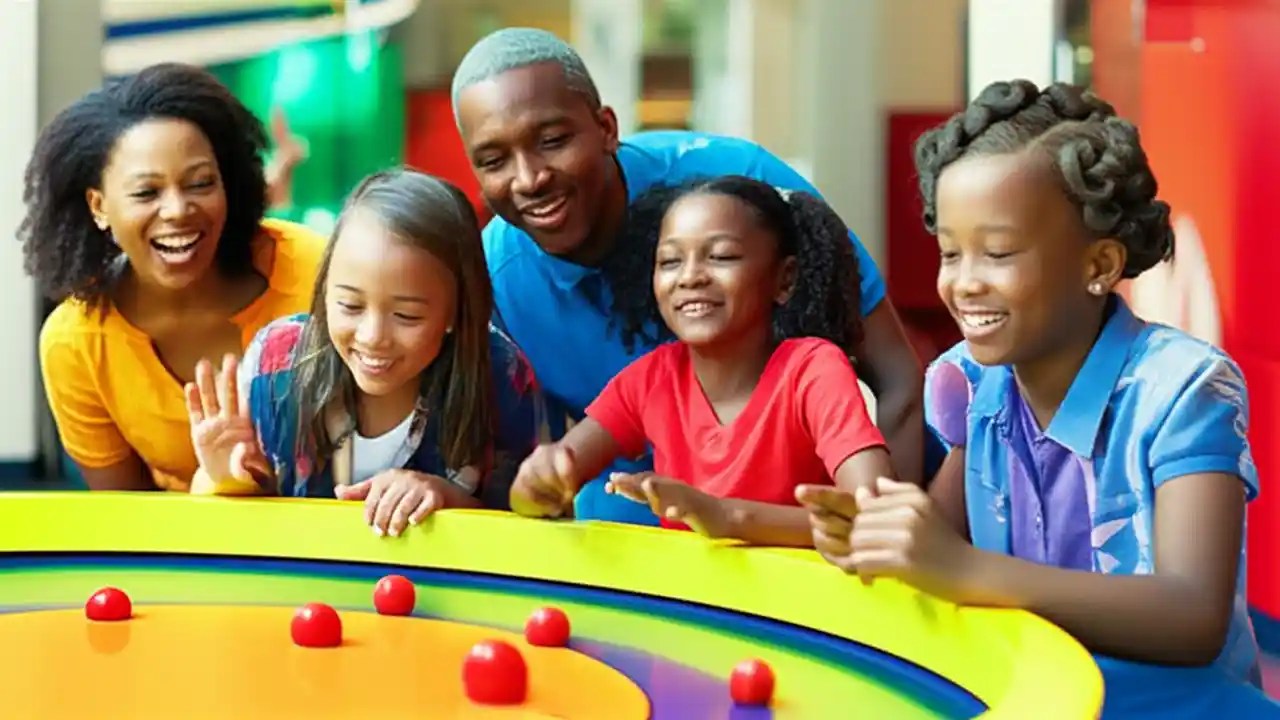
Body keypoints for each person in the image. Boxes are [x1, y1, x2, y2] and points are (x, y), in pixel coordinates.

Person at [797, 80, 1279, 718]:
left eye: (997, 253)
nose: (964, 283)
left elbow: (1192, 618)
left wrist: (965, 570)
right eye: (950, 254)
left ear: (1099, 264)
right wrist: (878, 536)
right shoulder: (969, 382)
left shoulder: (1183, 389)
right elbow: (939, 538)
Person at [450, 27, 926, 525]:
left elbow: (897, 386)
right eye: (494, 160)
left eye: (552, 141)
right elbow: (541, 470)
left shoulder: (737, 188)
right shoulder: (503, 281)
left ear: (607, 128)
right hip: (658, 559)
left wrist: (897, 554)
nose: (529, 179)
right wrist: (543, 478)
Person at [509, 176, 893, 546]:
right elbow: (544, 484)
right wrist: (538, 480)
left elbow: (869, 514)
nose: (690, 277)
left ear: (784, 279)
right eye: (670, 261)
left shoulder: (813, 370)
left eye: (721, 256)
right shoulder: (650, 380)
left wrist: (725, 516)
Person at [185, 169, 544, 537]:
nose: (373, 337)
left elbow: (529, 527)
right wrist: (226, 478)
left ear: (456, 311)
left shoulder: (500, 375)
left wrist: (448, 500)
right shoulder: (277, 365)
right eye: (350, 306)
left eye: (406, 316)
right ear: (324, 290)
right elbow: (225, 527)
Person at [22, 62, 325, 492]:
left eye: (200, 183)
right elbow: (126, 522)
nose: (178, 210)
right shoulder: (76, 342)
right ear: (99, 206)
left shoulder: (320, 272)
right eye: (147, 192)